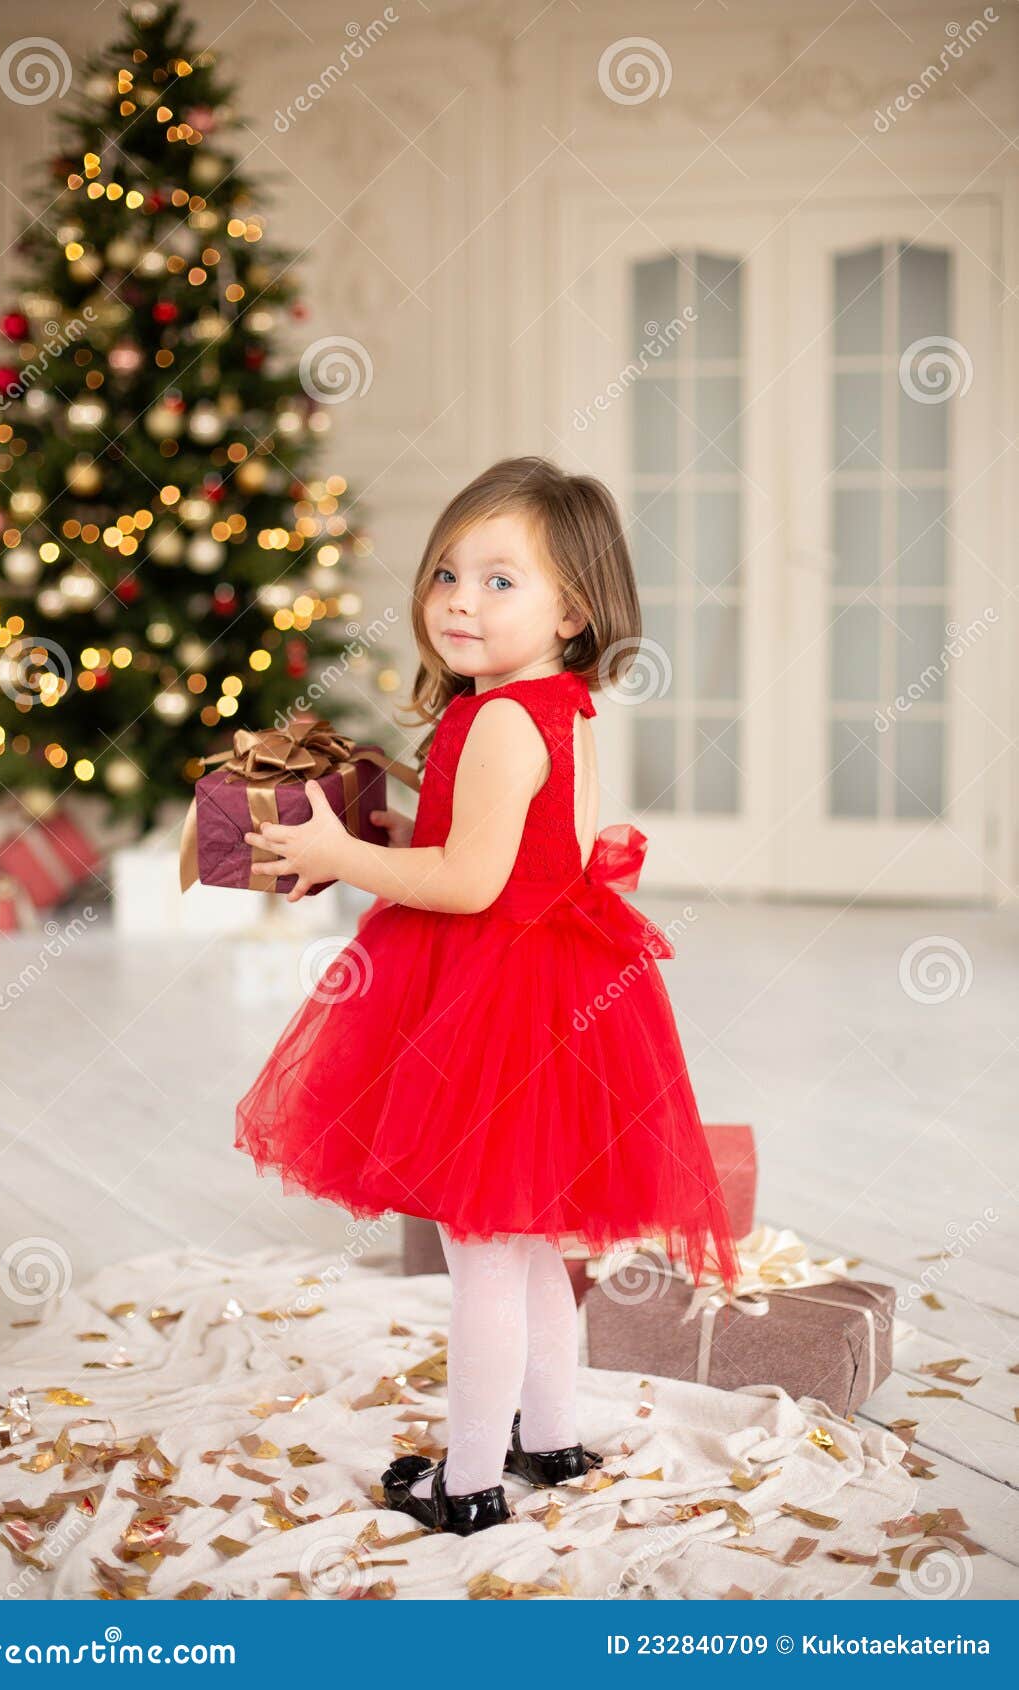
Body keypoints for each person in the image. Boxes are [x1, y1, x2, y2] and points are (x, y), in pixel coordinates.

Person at [234, 456, 738, 1537]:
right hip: (553, 986)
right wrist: (365, 823)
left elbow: (467, 880)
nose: (460, 598)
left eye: (500, 580)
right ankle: (547, 1434)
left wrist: (342, 852)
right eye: (446, 573)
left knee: (480, 1254)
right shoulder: (547, 707)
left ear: (574, 611)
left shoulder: (504, 722)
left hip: (498, 997)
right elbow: (509, 843)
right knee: (524, 1238)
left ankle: (467, 1478)